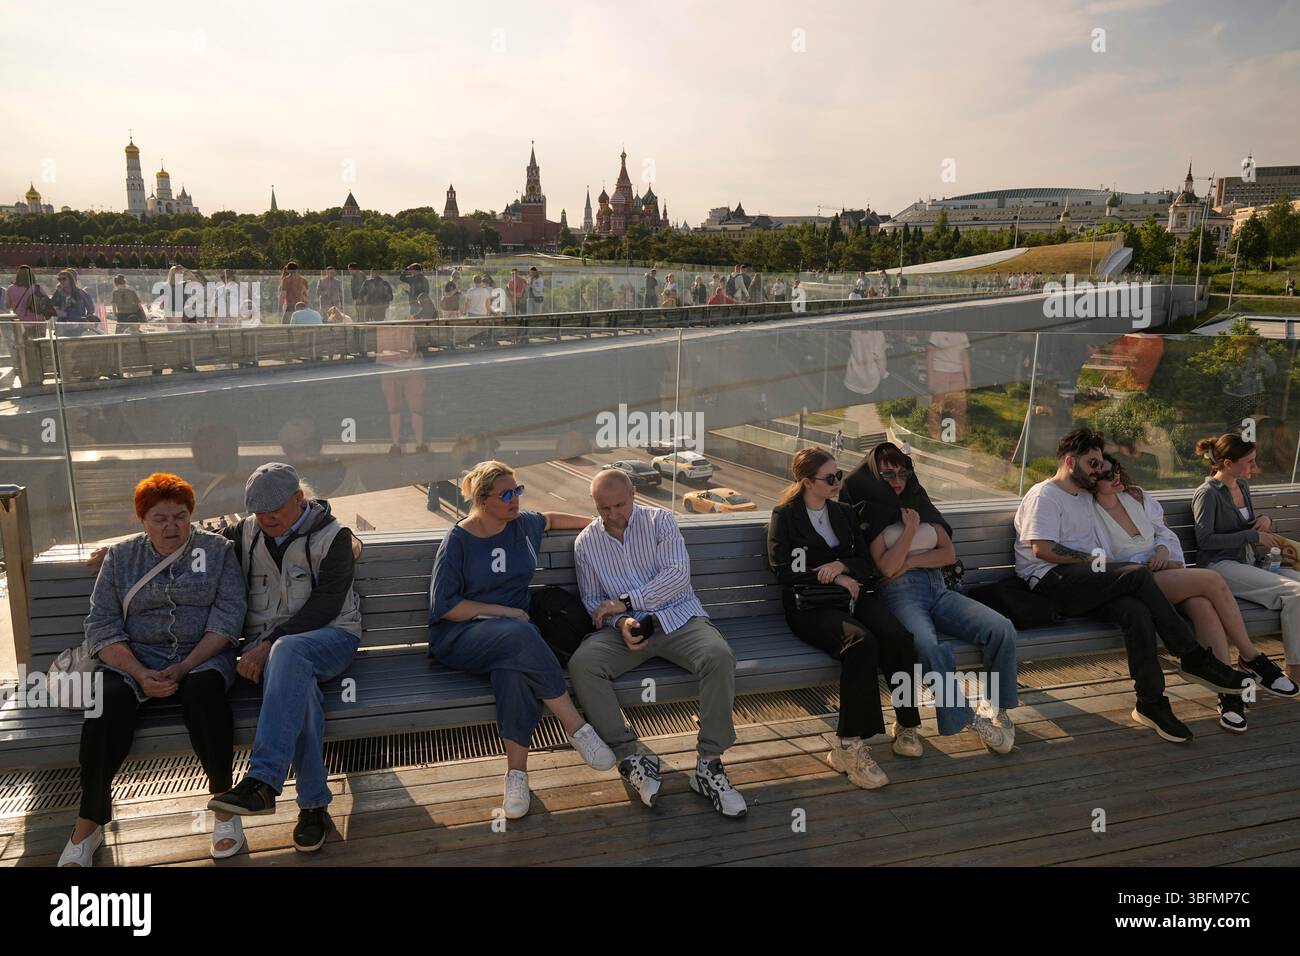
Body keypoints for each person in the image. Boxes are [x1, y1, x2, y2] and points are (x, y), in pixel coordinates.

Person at [1014, 428, 1250, 743]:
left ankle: (1150, 703)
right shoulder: (1045, 494)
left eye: (1100, 463)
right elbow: (1042, 549)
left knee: (1136, 611)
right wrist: (1102, 564)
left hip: (1088, 583)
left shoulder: (1083, 494)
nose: (1099, 470)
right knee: (1136, 575)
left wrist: (1133, 492)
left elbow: (1119, 499)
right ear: (1070, 461)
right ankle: (1191, 655)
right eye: (1092, 463)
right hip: (1051, 581)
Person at [61, 474, 246, 867]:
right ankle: (88, 822)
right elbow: (102, 625)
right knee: (105, 705)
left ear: (191, 516)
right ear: (142, 520)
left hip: (201, 658)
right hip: (134, 659)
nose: (171, 526)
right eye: (160, 518)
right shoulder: (122, 557)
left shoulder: (218, 551)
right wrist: (140, 672)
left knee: (205, 696)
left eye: (180, 516)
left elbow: (228, 618)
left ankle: (225, 808)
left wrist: (184, 666)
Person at [427, 461, 615, 819]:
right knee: (519, 634)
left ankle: (517, 776)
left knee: (512, 673)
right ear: (482, 501)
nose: (515, 500)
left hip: (515, 639)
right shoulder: (458, 540)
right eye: (506, 494)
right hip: (460, 636)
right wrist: (504, 612)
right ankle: (576, 727)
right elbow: (446, 606)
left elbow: (550, 519)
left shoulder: (522, 526)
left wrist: (599, 522)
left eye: (518, 491)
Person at [207, 464, 363, 854]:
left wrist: (267, 643)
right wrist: (129, 547)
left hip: (332, 637)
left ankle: (263, 779)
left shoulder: (334, 537)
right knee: (302, 691)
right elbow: (193, 542)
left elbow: (326, 605)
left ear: (299, 499)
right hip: (279, 657)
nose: (266, 518)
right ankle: (313, 808)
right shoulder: (245, 533)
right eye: (258, 511)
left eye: (274, 508)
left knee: (288, 651)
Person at [572, 469, 746, 815]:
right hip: (628, 631)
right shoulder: (586, 543)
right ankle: (632, 756)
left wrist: (626, 602)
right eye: (603, 508)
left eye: (619, 505)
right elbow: (593, 601)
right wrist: (621, 622)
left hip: (678, 618)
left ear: (634, 493)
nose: (612, 515)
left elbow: (678, 578)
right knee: (583, 665)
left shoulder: (660, 521)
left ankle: (709, 763)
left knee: (718, 656)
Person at [1093, 452, 1297, 733]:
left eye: (1115, 469)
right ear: (1091, 480)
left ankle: (1229, 693)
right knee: (1211, 580)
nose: (1115, 477)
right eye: (1105, 475)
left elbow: (1163, 534)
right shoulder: (1088, 512)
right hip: (1132, 581)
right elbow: (1098, 558)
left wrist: (1164, 551)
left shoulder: (1136, 497)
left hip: (1165, 574)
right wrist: (1147, 564)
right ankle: (1251, 657)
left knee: (1202, 604)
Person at [847, 443, 1018, 753]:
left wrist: (910, 560)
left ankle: (995, 708)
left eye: (902, 472)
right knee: (927, 646)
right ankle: (965, 717)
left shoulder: (918, 499)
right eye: (887, 474)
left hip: (939, 588)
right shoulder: (867, 510)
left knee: (1001, 627)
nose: (897, 480)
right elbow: (885, 568)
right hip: (900, 596)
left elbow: (948, 554)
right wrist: (911, 531)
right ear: (874, 474)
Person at [767, 450, 923, 789]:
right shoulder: (787, 516)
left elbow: (866, 563)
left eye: (838, 476)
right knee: (861, 643)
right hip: (810, 605)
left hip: (852, 597)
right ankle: (849, 746)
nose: (838, 483)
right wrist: (836, 577)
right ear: (807, 482)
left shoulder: (844, 513)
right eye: (830, 478)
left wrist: (845, 567)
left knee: (898, 637)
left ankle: (907, 725)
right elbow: (784, 571)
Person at [1193, 432, 1300, 689]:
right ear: (1228, 463)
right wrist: (1253, 535)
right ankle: (1294, 671)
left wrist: (1265, 520)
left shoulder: (1241, 485)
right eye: (1249, 462)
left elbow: (1248, 527)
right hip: (1220, 567)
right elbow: (1205, 540)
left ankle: (1264, 664)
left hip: (1248, 562)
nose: (1255, 467)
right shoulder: (1207, 493)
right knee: (1297, 594)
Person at [927, 330, 971, 441]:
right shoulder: (937, 333)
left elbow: (965, 358)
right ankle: (934, 435)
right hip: (940, 372)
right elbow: (930, 356)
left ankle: (959, 436)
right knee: (938, 406)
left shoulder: (962, 334)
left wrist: (968, 380)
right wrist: (931, 378)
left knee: (960, 407)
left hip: (957, 374)